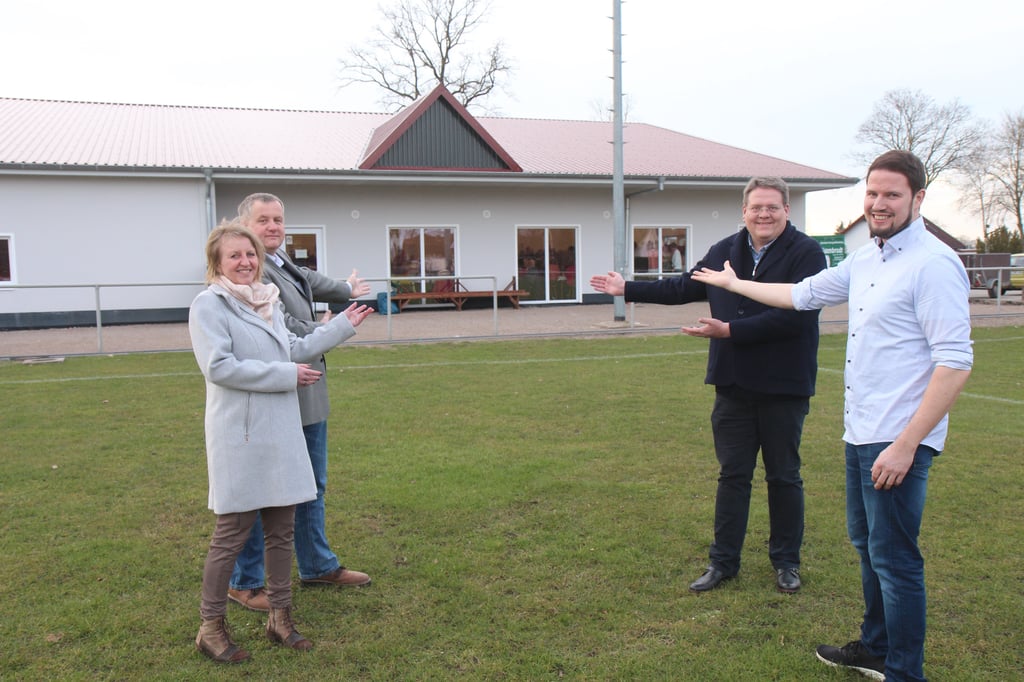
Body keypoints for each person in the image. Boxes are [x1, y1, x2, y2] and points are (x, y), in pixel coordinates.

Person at [692, 151, 973, 682]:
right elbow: (800, 295)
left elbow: (955, 362)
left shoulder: (934, 263)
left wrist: (908, 443)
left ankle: (905, 672)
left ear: (918, 199)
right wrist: (732, 285)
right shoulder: (869, 258)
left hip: (898, 440)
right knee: (869, 550)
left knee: (895, 561)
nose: (879, 204)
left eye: (892, 194)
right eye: (872, 193)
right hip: (861, 432)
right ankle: (875, 648)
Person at [590, 176, 826, 594]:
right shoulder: (726, 250)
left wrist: (732, 331)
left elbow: (797, 316)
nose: (764, 214)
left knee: (783, 477)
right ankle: (723, 563)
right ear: (744, 211)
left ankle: (786, 561)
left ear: (787, 211)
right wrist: (626, 288)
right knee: (732, 476)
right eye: (756, 207)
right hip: (733, 384)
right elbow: (684, 286)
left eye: (772, 207)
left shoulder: (806, 253)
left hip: (783, 385)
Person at [189, 221, 372, 662]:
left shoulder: (264, 302)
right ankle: (210, 629)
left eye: (250, 254)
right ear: (217, 262)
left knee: (281, 529)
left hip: (280, 431)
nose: (245, 262)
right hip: (241, 435)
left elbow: (292, 346)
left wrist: (343, 324)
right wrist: (285, 377)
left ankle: (280, 618)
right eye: (234, 255)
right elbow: (220, 367)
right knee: (230, 534)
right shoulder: (209, 306)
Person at [227, 193, 373, 614]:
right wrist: (324, 326)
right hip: (276, 394)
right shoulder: (248, 269)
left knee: (312, 486)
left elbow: (311, 280)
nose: (272, 227)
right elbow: (281, 326)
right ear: (244, 225)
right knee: (262, 491)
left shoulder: (282, 261)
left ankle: (317, 566)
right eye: (263, 220)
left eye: (278, 220)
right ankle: (245, 581)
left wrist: (346, 289)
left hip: (307, 393)